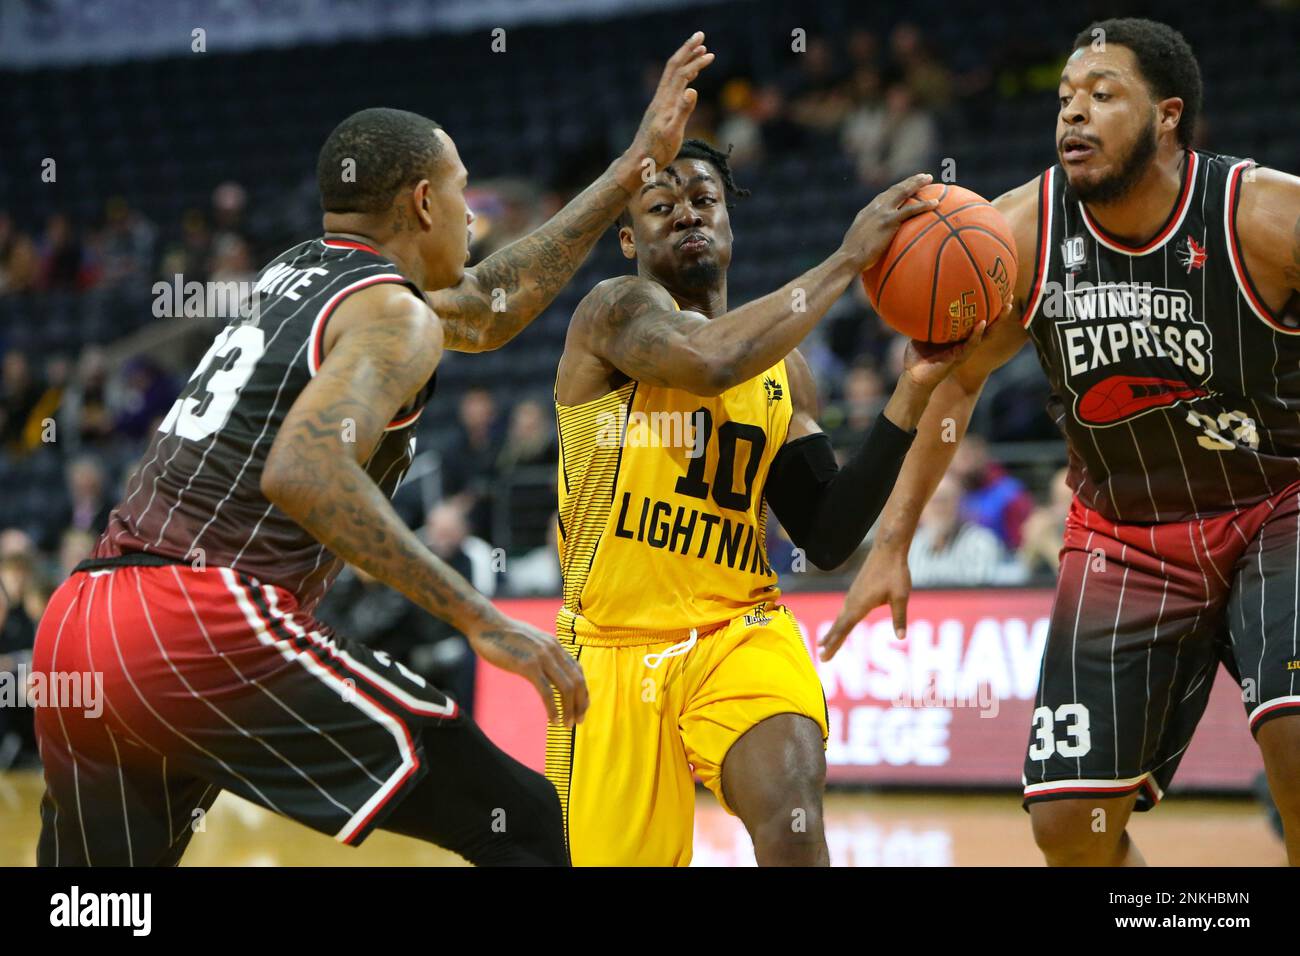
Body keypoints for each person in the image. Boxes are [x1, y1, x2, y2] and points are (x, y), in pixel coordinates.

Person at [31, 33, 714, 867]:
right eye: (466, 195)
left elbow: (492, 308)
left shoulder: (304, 272)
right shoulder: (395, 314)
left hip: (80, 626)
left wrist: (631, 168)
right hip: (195, 620)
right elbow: (305, 470)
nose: (477, 216)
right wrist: (479, 617)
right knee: (522, 818)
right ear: (425, 203)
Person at [824, 18, 1300, 866]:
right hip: (1125, 535)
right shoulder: (1018, 236)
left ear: (1167, 115)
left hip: (1278, 508)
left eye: (1103, 94)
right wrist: (891, 541)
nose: (1073, 114)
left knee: (1295, 740)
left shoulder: (1261, 213)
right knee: (1068, 827)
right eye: (1064, 99)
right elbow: (955, 383)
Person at [549, 142, 983, 866]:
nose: (687, 211)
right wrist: (847, 260)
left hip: (737, 631)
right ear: (628, 239)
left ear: (728, 223)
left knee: (791, 823)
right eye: (661, 206)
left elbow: (825, 533)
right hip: (610, 651)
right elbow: (711, 360)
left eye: (704, 200)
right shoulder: (612, 314)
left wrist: (911, 393)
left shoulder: (786, 371)